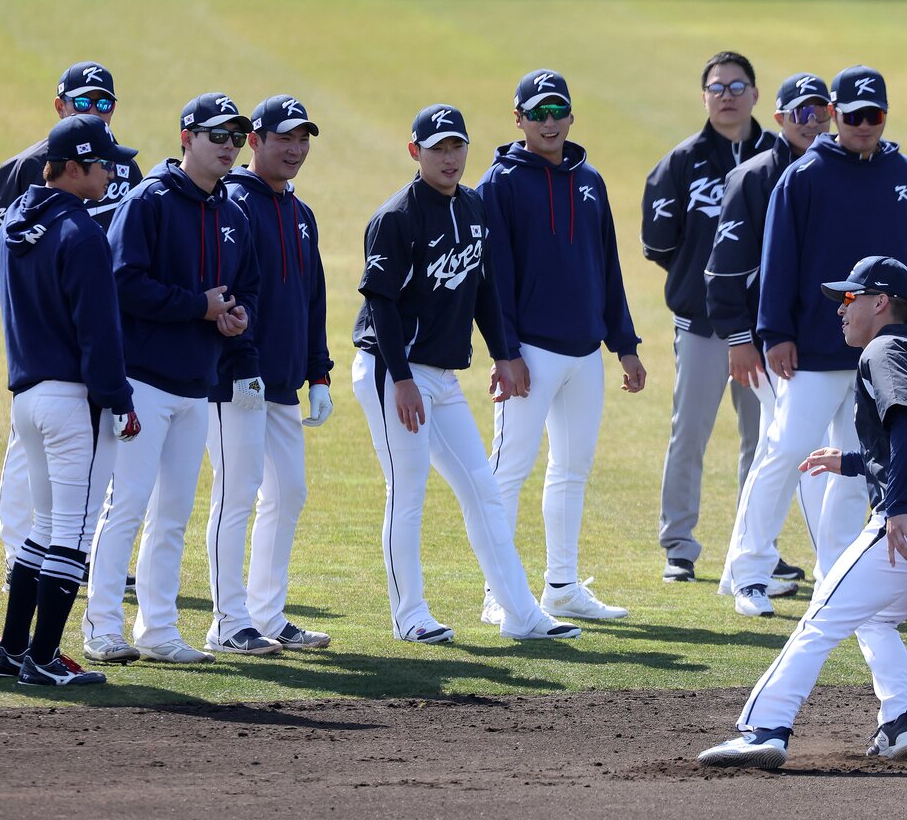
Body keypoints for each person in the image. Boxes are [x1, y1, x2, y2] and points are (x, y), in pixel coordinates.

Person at [697, 256, 907, 769]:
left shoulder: (884, 349)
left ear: (881, 303)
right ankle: (899, 722)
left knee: (819, 620)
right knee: (877, 617)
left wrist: (895, 506)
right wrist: (853, 462)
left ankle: (764, 729)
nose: (840, 309)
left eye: (850, 298)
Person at [725, 65, 907, 616]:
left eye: (874, 115)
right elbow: (778, 261)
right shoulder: (804, 176)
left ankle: (836, 578)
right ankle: (748, 573)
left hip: (886, 353)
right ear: (834, 113)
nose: (864, 125)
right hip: (810, 348)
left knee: (856, 468)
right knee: (785, 451)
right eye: (853, 116)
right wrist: (775, 332)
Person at [350, 103, 580, 644]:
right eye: (438, 148)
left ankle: (521, 614)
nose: (449, 157)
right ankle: (410, 615)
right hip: (392, 369)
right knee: (407, 492)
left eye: (457, 146)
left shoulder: (473, 206)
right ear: (416, 152)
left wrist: (504, 354)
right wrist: (401, 379)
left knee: (482, 489)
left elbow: (485, 289)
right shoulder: (396, 217)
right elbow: (380, 305)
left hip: (441, 375)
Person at [82, 92, 260, 664]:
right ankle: (102, 627)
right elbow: (121, 282)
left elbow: (247, 288)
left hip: (196, 385)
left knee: (172, 515)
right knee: (126, 505)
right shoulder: (149, 200)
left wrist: (237, 316)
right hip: (142, 382)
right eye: (217, 135)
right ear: (187, 138)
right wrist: (197, 307)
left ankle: (157, 630)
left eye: (236, 137)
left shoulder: (233, 214)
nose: (229, 147)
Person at [477, 70, 645, 624]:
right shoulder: (499, 183)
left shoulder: (590, 179)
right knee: (508, 471)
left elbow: (608, 266)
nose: (549, 123)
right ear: (519, 118)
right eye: (538, 113)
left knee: (572, 471)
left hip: (585, 354)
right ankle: (496, 593)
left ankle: (562, 586)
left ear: (571, 116)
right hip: (529, 352)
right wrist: (506, 352)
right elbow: (493, 278)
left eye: (557, 112)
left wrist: (624, 345)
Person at [0, 115, 142, 686]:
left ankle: (12, 648)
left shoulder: (13, 223)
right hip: (74, 402)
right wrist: (119, 398)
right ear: (75, 168)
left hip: (28, 399)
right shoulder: (81, 232)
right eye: (104, 164)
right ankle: (45, 658)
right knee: (74, 534)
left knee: (43, 526)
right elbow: (98, 331)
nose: (112, 173)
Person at [202, 95, 334, 656]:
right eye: (284, 138)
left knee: (288, 494)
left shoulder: (300, 213)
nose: (296, 149)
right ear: (254, 141)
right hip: (235, 378)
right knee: (236, 495)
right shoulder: (233, 204)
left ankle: (267, 615)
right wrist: (243, 364)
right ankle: (227, 622)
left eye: (303, 139)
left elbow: (312, 299)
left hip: (282, 383)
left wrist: (318, 373)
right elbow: (227, 295)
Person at [642, 51, 775, 583]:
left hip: (765, 328)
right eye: (718, 87)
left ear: (756, 95)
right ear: (704, 97)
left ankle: (754, 545)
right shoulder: (682, 162)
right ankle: (679, 545)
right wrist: (701, 282)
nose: (727, 96)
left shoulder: (779, 156)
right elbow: (660, 245)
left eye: (738, 87)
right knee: (689, 435)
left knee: (764, 441)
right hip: (702, 325)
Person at [706, 72, 835, 596]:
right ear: (779, 118)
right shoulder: (755, 177)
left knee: (775, 452)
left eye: (821, 110)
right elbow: (724, 271)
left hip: (820, 344)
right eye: (801, 112)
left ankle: (741, 569)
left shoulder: (837, 171)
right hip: (770, 345)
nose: (812, 121)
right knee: (797, 454)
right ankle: (826, 573)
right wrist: (738, 339)